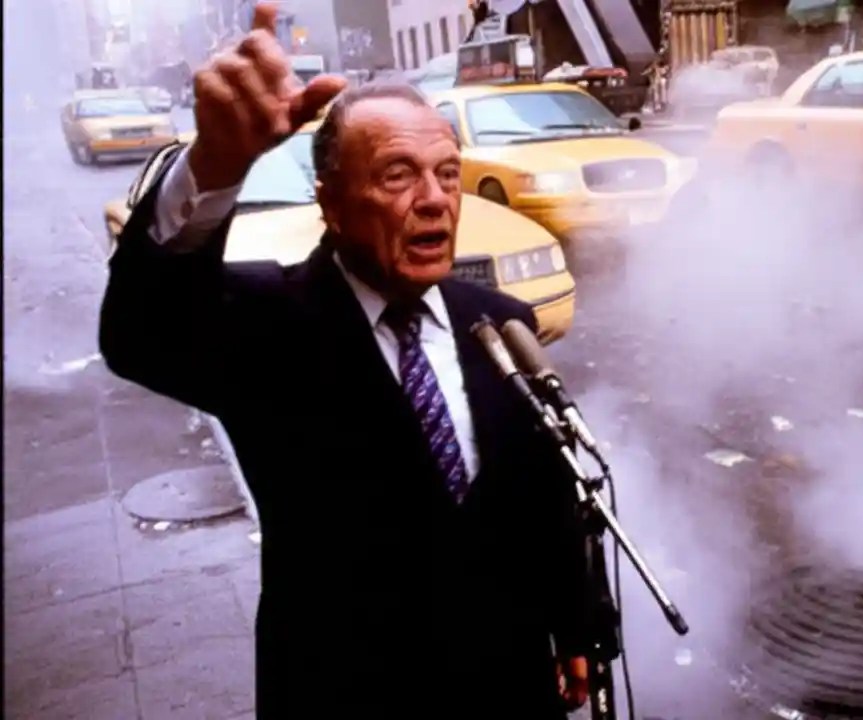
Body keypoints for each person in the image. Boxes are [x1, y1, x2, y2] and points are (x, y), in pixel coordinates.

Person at [99, 3, 591, 717]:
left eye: (447, 173)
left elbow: (543, 492)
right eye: (398, 175)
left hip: (506, 682)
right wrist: (213, 166)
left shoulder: (498, 323)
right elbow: (140, 335)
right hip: (347, 689)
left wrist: (571, 618)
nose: (435, 201)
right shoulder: (269, 323)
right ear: (330, 203)